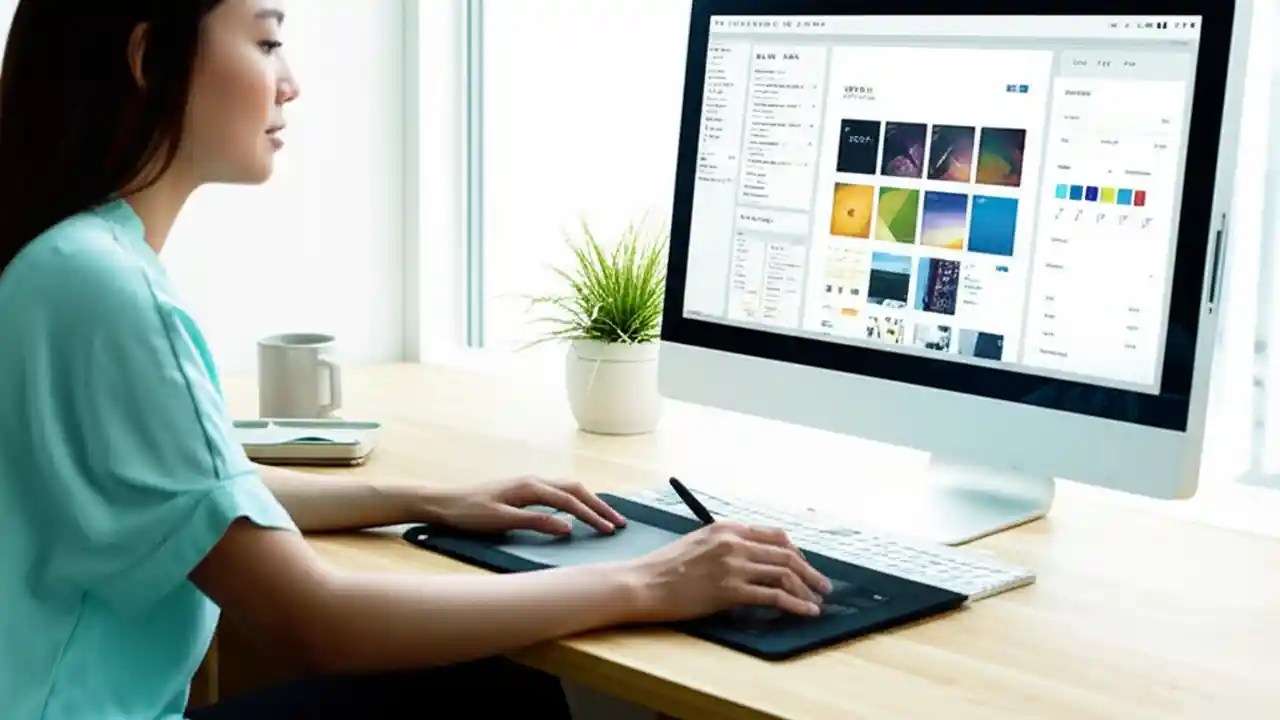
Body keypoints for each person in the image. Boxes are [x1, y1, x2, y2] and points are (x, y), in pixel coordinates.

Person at [0, 2, 832, 718]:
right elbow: (314, 621)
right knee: (492, 695)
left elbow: (189, 496)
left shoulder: (60, 260)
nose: (290, 82)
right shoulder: (107, 291)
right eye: (264, 40)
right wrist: (652, 581)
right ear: (150, 59)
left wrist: (424, 496)